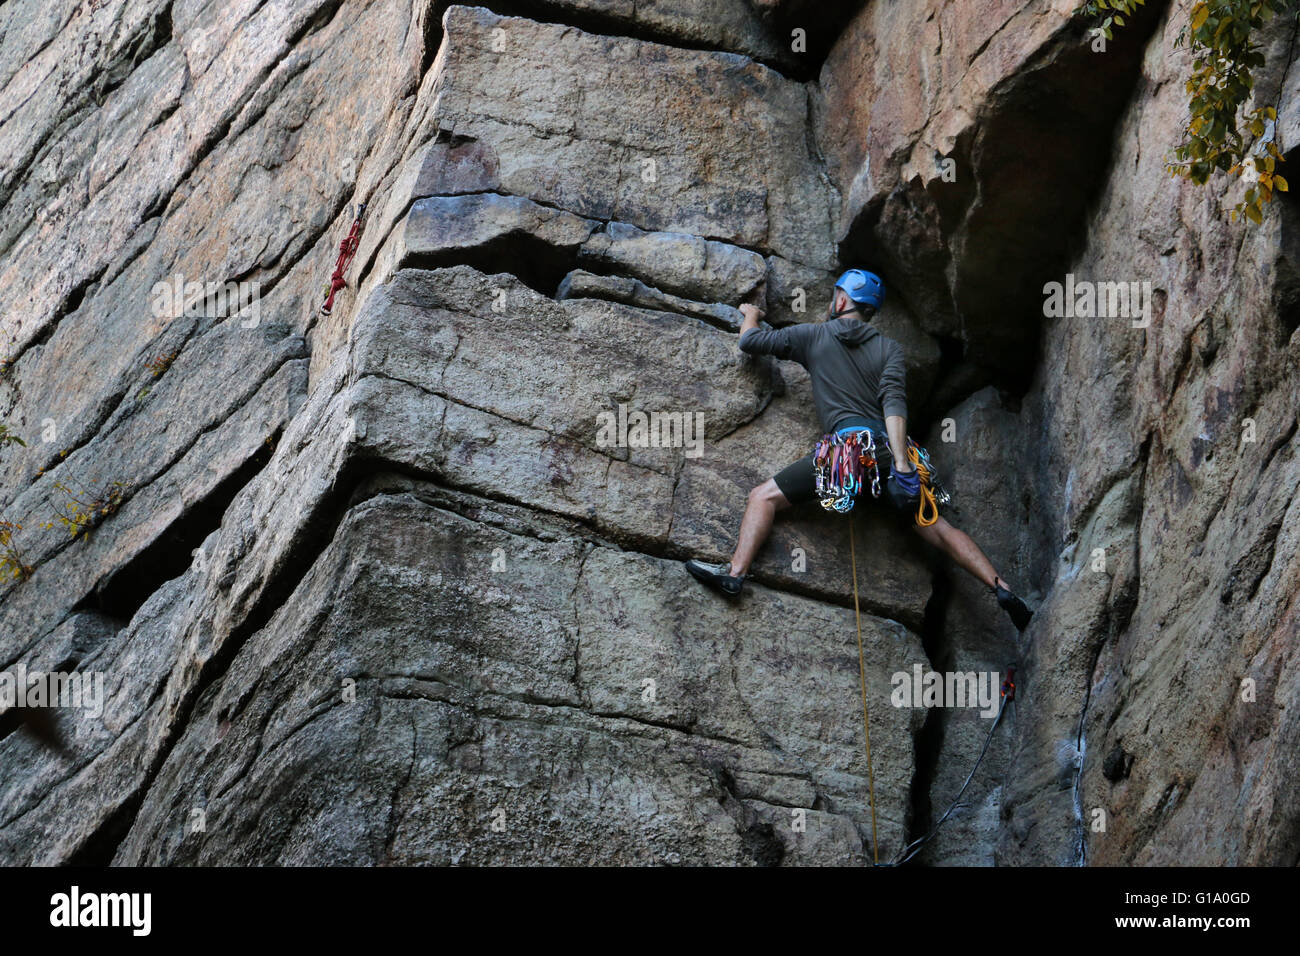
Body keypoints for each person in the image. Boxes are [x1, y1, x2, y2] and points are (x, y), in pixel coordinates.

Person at [685, 269, 1033, 632]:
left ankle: (736, 574)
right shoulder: (889, 350)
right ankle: (1001, 588)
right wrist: (902, 467)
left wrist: (751, 316)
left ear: (840, 301)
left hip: (845, 456)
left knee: (763, 497)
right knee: (936, 526)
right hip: (889, 455)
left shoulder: (813, 336)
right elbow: (894, 407)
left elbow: (751, 343)